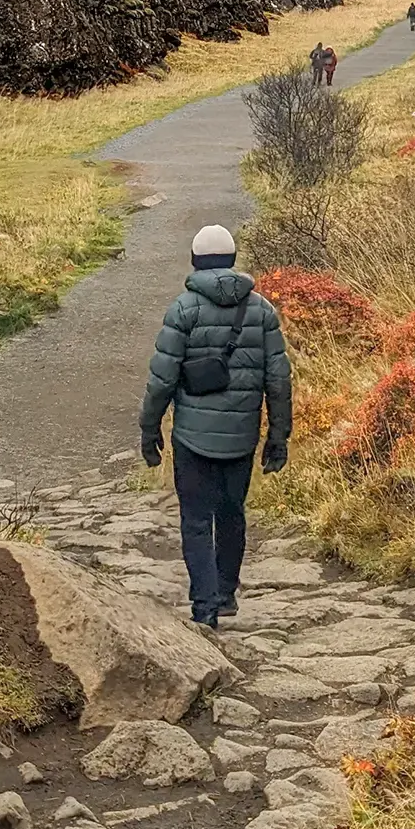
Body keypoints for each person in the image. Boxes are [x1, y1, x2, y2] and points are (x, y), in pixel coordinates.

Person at [140, 224, 291, 628]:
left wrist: (149, 428)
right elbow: (278, 381)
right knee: (231, 514)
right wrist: (278, 437)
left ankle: (204, 607)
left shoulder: (183, 309)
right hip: (242, 435)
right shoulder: (261, 310)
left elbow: (161, 380)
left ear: (195, 260)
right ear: (231, 260)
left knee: (194, 519)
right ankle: (225, 594)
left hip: (191, 435)